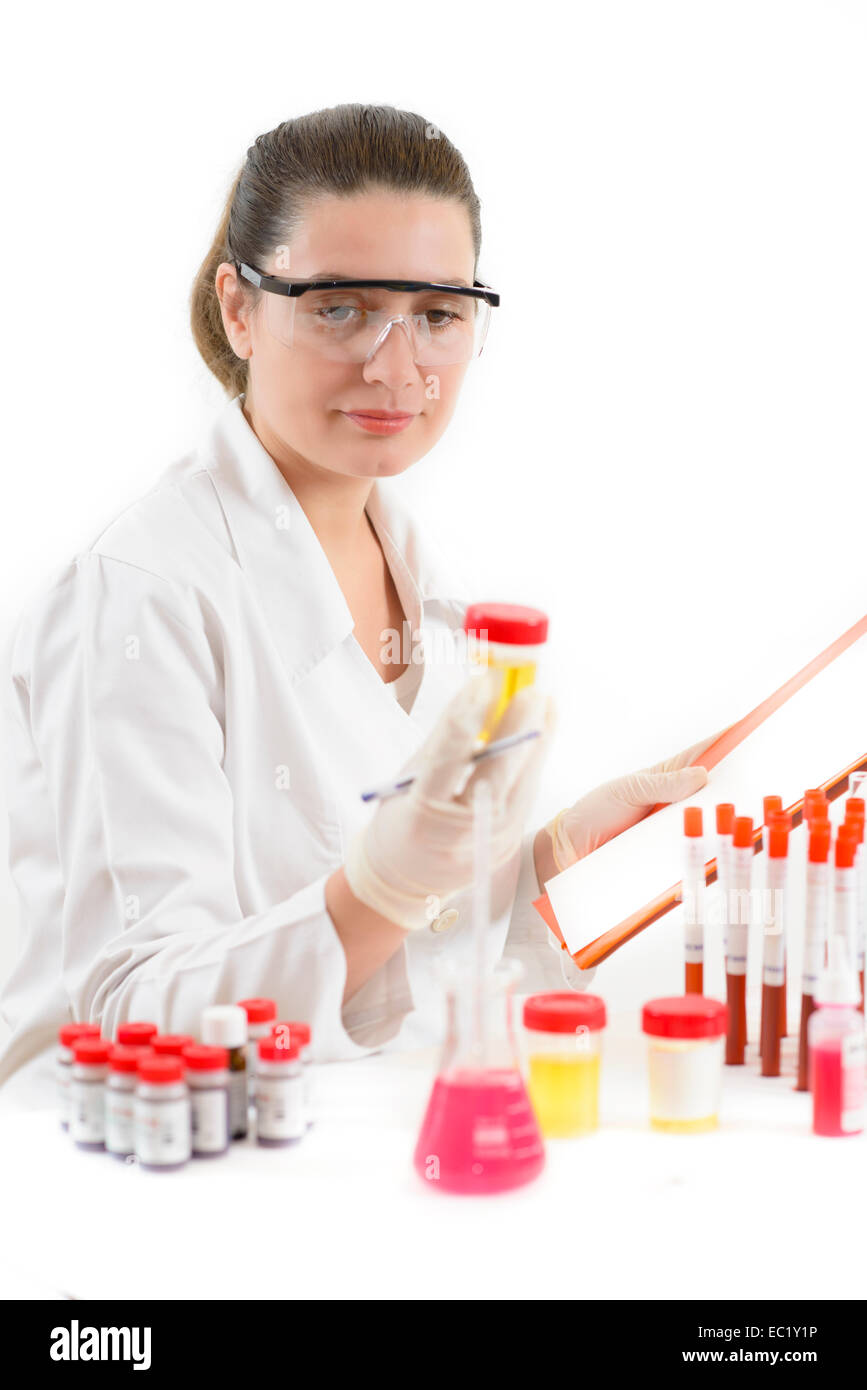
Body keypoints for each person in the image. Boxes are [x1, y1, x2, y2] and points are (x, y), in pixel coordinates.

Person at [0, 105, 718, 1086]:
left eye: (438, 315)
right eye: (339, 306)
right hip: (123, 1170)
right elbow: (132, 1008)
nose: (397, 367)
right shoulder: (141, 594)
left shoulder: (432, 593)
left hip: (332, 1151)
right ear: (239, 310)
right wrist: (390, 879)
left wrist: (545, 862)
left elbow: (402, 939)